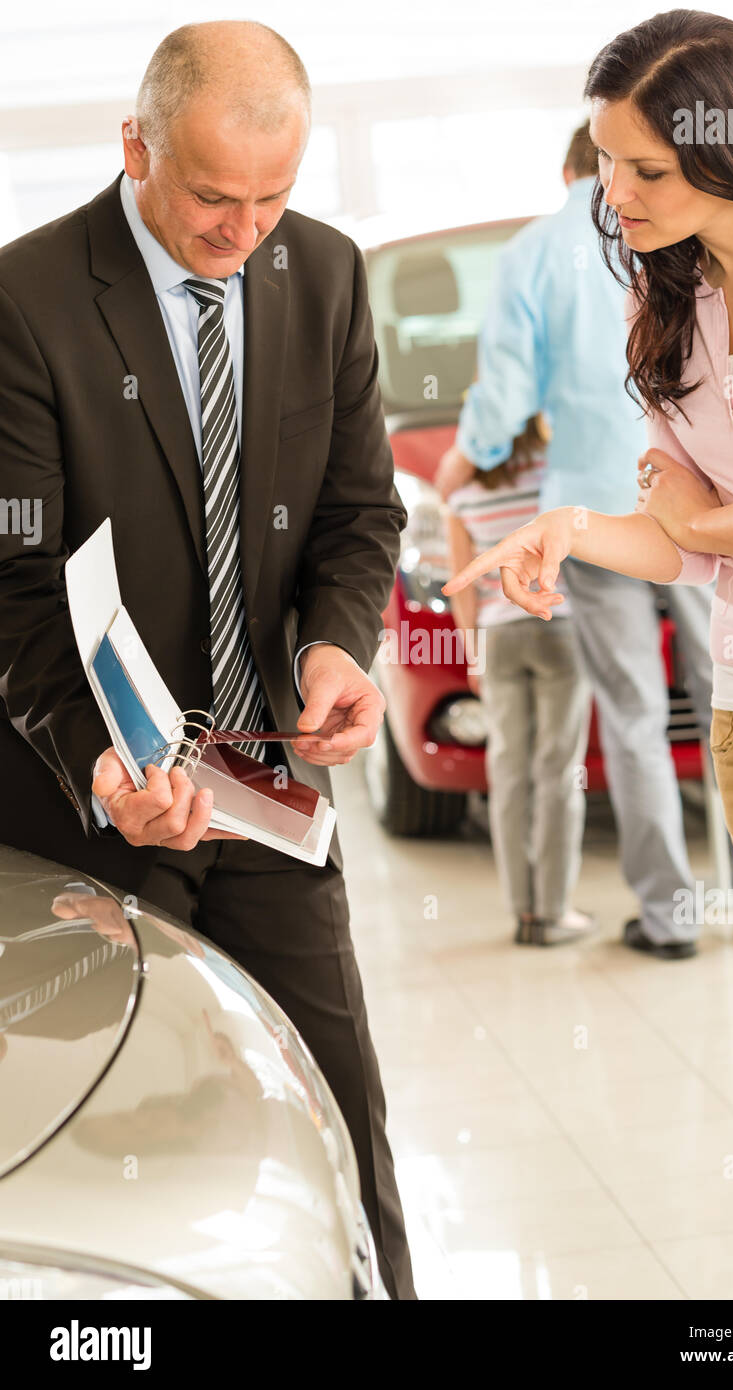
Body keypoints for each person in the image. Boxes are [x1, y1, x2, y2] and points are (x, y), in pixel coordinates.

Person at [0, 20, 416, 1298]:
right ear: (136, 145)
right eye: (212, 199)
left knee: (345, 1130)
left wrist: (340, 645)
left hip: (269, 791)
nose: (246, 235)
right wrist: (103, 765)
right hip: (98, 809)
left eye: (274, 198)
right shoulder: (25, 304)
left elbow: (357, 514)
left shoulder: (328, 275)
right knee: (141, 1170)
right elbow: (12, 590)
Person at [444, 9, 733, 1239]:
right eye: (606, 159)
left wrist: (718, 515)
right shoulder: (666, 290)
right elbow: (679, 529)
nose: (609, 193)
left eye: (645, 169)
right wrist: (568, 529)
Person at [437, 120, 733, 961]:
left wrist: (461, 466)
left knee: (634, 716)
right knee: (726, 700)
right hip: (693, 499)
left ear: (566, 170)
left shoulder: (533, 251)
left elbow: (504, 395)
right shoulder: (680, 234)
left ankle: (671, 920)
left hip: (593, 516)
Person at [446, 414, 595, 947]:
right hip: (560, 626)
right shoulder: (554, 482)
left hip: (499, 638)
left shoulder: (462, 498)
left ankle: (524, 913)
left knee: (507, 769)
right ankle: (555, 911)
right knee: (558, 769)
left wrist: (473, 656)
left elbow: (461, 589)